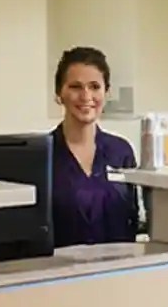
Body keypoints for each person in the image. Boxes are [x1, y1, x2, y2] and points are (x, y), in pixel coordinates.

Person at [50, 46, 140, 246]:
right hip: (60, 272)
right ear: (59, 94)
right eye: (75, 87)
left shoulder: (121, 152)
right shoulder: (44, 156)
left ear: (106, 93)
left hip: (120, 270)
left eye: (94, 87)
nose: (86, 96)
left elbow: (132, 219)